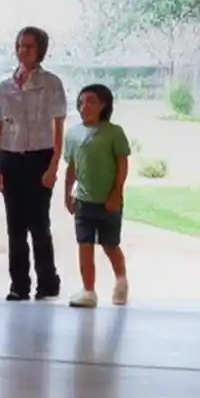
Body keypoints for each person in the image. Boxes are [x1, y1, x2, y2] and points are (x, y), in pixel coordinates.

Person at [0, 26, 67, 301]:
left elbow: (58, 126)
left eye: (29, 46)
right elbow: (0, 129)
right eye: (20, 45)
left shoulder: (51, 83)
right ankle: (18, 285)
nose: (23, 50)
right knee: (15, 226)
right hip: (11, 158)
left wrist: (53, 166)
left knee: (39, 224)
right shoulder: (4, 87)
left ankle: (48, 282)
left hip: (40, 157)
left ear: (40, 51)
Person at [64, 84, 131, 307]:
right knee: (84, 244)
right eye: (82, 102)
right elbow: (71, 166)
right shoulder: (73, 134)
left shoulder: (114, 133)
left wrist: (116, 193)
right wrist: (68, 193)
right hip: (84, 201)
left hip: (108, 202)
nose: (85, 107)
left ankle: (121, 282)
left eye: (91, 102)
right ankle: (88, 290)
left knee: (110, 244)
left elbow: (122, 165)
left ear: (103, 105)